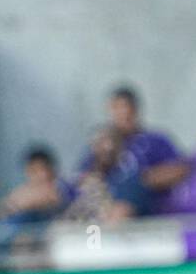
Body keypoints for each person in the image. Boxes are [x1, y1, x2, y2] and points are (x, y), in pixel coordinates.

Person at [79, 86, 188, 214]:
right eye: (117, 109)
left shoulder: (155, 140)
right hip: (109, 208)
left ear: (136, 110)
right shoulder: (102, 145)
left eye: (127, 108)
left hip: (150, 209)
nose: (123, 114)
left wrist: (146, 180)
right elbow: (84, 179)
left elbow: (181, 168)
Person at [0, 146, 72, 225]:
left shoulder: (56, 187)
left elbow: (52, 200)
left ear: (51, 170)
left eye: (41, 170)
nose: (39, 175)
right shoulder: (23, 190)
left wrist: (26, 205)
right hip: (18, 227)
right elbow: (2, 209)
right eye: (34, 171)